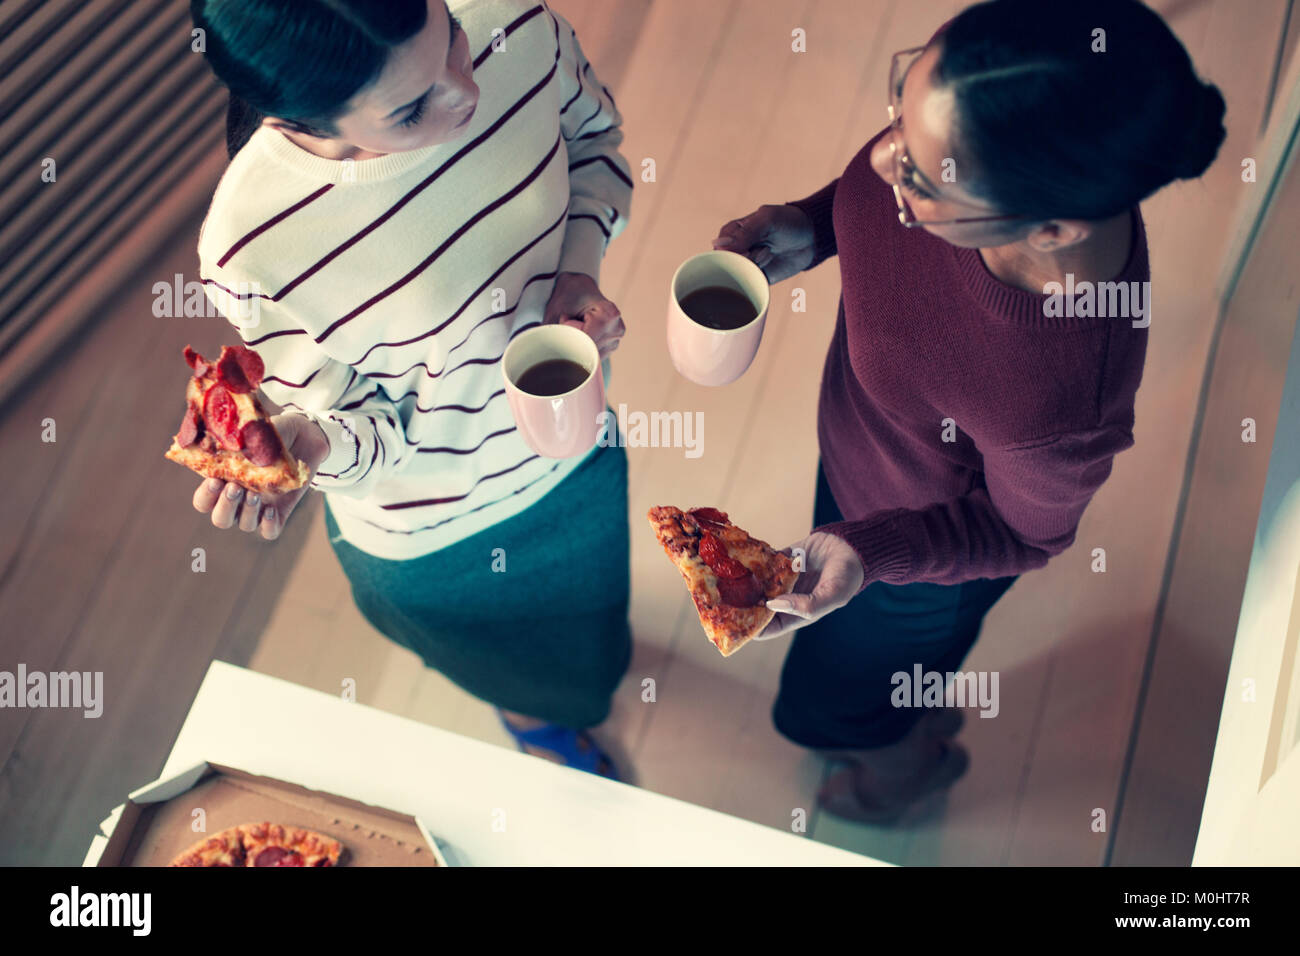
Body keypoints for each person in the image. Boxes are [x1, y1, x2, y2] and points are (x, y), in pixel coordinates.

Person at [712, 0, 1226, 823]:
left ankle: (905, 774)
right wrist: (813, 228)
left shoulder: (1061, 401)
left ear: (1051, 230)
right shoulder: (974, 143)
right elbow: (881, 210)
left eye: (917, 175)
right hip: (862, 464)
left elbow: (1025, 534)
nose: (885, 161)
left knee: (843, 701)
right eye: (899, 112)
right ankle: (911, 710)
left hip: (914, 553)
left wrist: (870, 554)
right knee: (874, 681)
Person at [188, 0, 634, 777]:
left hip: (575, 456)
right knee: (510, 669)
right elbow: (356, 420)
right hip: (428, 536)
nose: (466, 91)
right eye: (413, 108)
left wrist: (578, 267)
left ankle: (569, 701)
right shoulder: (253, 244)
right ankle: (535, 723)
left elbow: (595, 142)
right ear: (303, 118)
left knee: (595, 640)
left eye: (452, 39)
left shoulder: (515, 27)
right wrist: (314, 442)